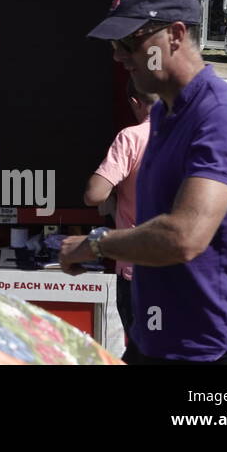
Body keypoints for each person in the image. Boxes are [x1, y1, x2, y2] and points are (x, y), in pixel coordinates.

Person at [60, 0, 227, 365]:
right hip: (157, 344)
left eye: (130, 43)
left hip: (216, 351)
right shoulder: (164, 112)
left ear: (175, 35)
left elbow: (185, 237)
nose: (119, 56)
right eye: (115, 45)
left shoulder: (220, 114)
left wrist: (97, 244)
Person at [84, 78, 156, 342]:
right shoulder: (190, 135)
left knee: (141, 350)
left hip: (136, 270)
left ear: (135, 103)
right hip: (181, 271)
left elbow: (94, 194)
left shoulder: (131, 138)